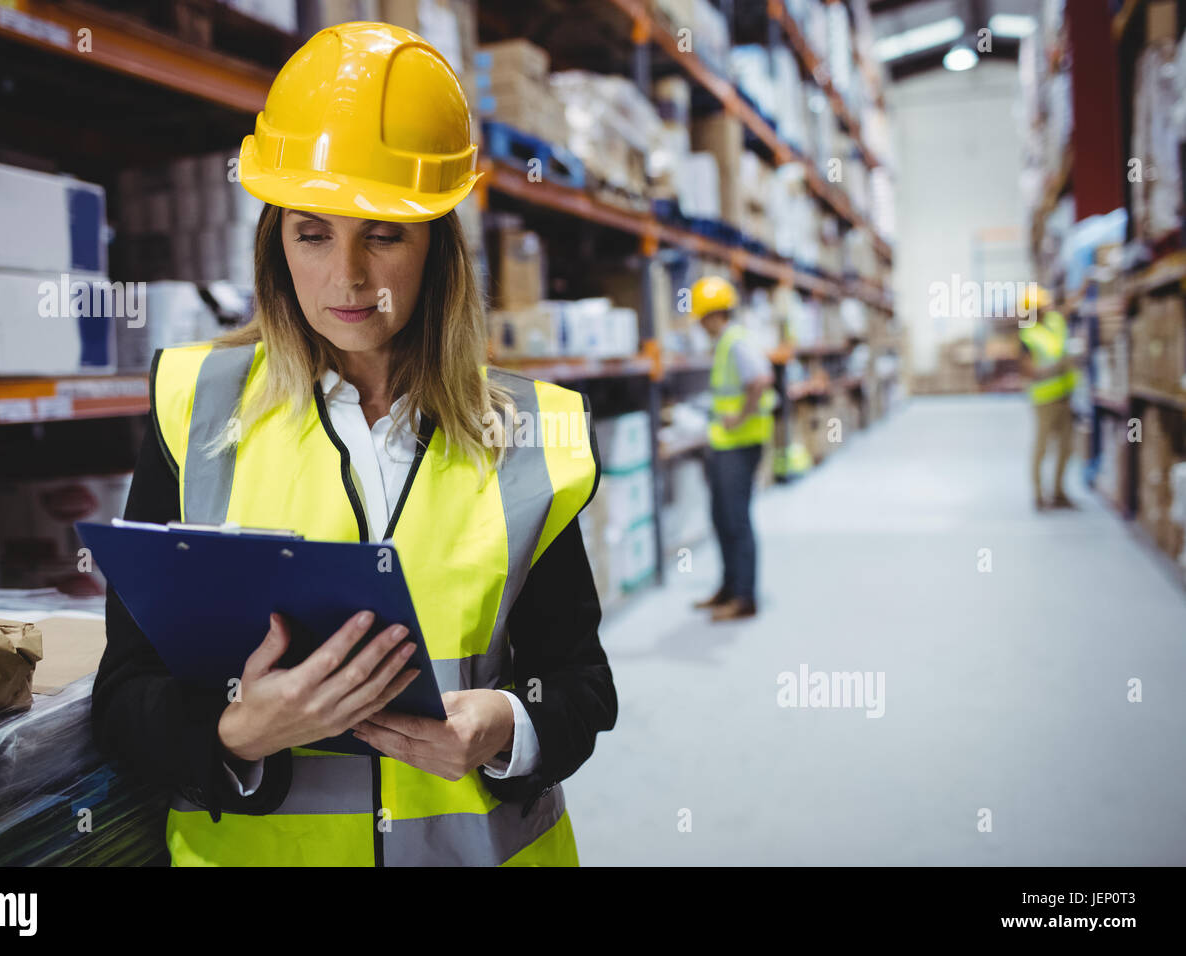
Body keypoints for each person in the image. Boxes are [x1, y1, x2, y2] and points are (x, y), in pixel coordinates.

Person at [90, 21, 617, 867]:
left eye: (383, 233)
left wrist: (507, 728)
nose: (347, 278)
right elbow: (124, 700)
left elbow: (580, 686)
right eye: (312, 233)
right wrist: (236, 734)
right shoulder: (195, 408)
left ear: (436, 247)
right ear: (275, 243)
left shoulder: (533, 433)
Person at [688, 275, 776, 621]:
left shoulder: (736, 341)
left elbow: (760, 379)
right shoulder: (727, 341)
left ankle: (744, 598)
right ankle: (728, 587)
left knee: (736, 520)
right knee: (722, 518)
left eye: (701, 317)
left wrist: (738, 418)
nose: (700, 325)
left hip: (740, 445)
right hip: (727, 445)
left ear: (713, 315)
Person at [1019, 286, 1078, 510]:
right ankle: (1038, 495)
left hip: (1065, 395)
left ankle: (1059, 493)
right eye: (1041, 306)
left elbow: (1068, 308)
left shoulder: (1054, 322)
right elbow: (1029, 371)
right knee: (1042, 448)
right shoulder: (1027, 335)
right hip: (1044, 400)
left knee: (1066, 447)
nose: (1046, 308)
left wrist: (1084, 284)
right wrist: (1055, 368)